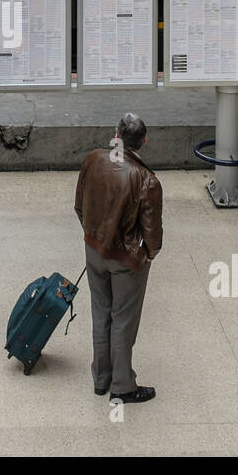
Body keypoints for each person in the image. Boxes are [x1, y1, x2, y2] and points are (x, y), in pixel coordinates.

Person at [74, 113, 163, 405]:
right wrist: (146, 256)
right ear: (145, 142)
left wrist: (94, 235)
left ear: (116, 135)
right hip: (126, 260)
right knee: (123, 320)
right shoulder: (147, 180)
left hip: (93, 248)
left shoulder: (92, 159)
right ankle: (123, 385)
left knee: (101, 311)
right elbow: (152, 236)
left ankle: (101, 377)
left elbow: (79, 206)